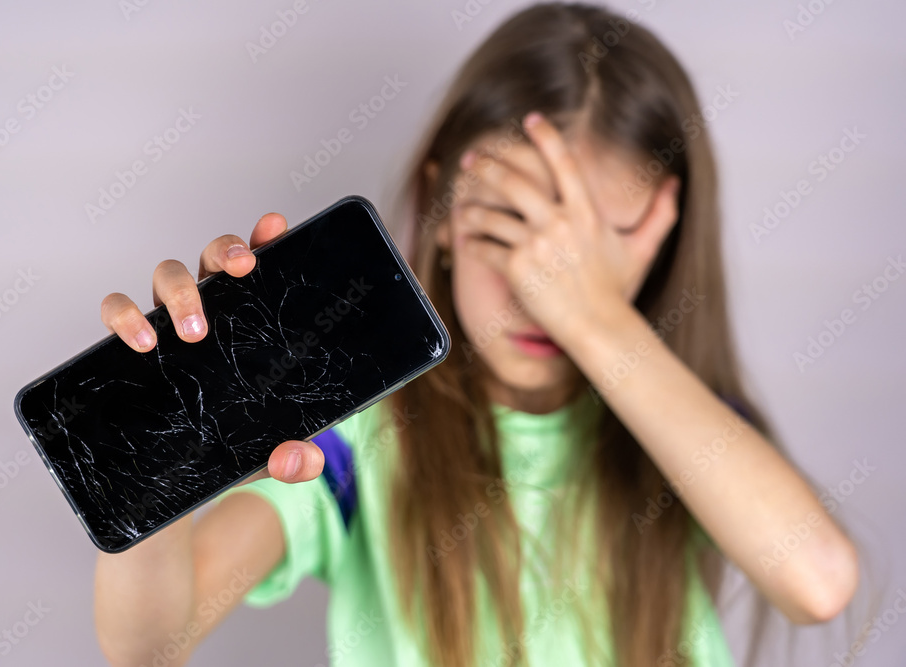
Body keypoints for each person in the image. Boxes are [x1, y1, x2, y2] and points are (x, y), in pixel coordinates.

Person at [93, 3, 859, 666]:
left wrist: (595, 317)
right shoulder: (356, 441)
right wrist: (159, 451)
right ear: (442, 206)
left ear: (658, 230)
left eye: (584, 256)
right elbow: (150, 645)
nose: (543, 295)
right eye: (509, 234)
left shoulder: (679, 418)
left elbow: (817, 580)